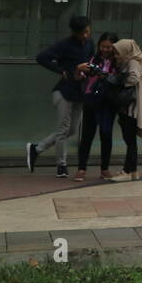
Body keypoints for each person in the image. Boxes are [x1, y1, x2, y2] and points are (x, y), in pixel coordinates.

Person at [27, 15, 94, 178]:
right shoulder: (65, 45)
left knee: (72, 130)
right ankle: (61, 165)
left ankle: (36, 149)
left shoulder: (90, 44)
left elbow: (92, 61)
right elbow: (41, 57)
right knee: (63, 130)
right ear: (74, 33)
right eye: (82, 33)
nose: (86, 35)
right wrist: (61, 71)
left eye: (87, 31)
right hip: (64, 91)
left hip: (80, 92)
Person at [73, 32, 120, 183]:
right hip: (91, 100)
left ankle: (104, 168)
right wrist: (78, 69)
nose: (105, 50)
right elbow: (79, 78)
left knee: (106, 135)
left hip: (108, 102)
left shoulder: (119, 62)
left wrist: (103, 75)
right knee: (87, 135)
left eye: (109, 47)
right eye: (102, 46)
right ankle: (81, 169)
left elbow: (118, 80)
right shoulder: (94, 59)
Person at [107, 38, 142, 182]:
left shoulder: (133, 61)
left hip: (130, 108)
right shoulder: (135, 61)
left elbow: (133, 78)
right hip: (131, 107)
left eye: (118, 53)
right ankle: (133, 171)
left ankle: (127, 171)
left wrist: (119, 82)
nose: (116, 56)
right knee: (131, 141)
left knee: (130, 141)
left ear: (126, 51)